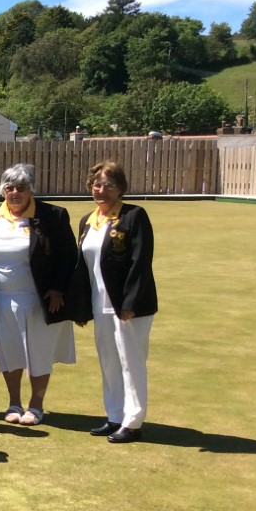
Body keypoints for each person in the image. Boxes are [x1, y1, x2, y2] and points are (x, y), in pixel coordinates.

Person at [0, 163, 77, 426]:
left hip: (38, 299)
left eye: (21, 187)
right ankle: (14, 403)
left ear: (31, 189)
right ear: (2, 190)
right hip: (0, 299)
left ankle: (36, 405)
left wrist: (58, 289)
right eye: (9, 187)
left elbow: (68, 256)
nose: (15, 192)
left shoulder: (53, 215)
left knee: (39, 353)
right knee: (9, 353)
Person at [70, 161, 158, 444]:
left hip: (128, 307)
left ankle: (133, 422)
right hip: (100, 304)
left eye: (109, 185)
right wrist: (81, 308)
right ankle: (115, 416)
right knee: (109, 362)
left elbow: (140, 263)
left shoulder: (134, 216)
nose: (102, 190)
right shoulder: (87, 221)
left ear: (121, 188)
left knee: (131, 362)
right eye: (97, 185)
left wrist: (130, 302)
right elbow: (82, 268)